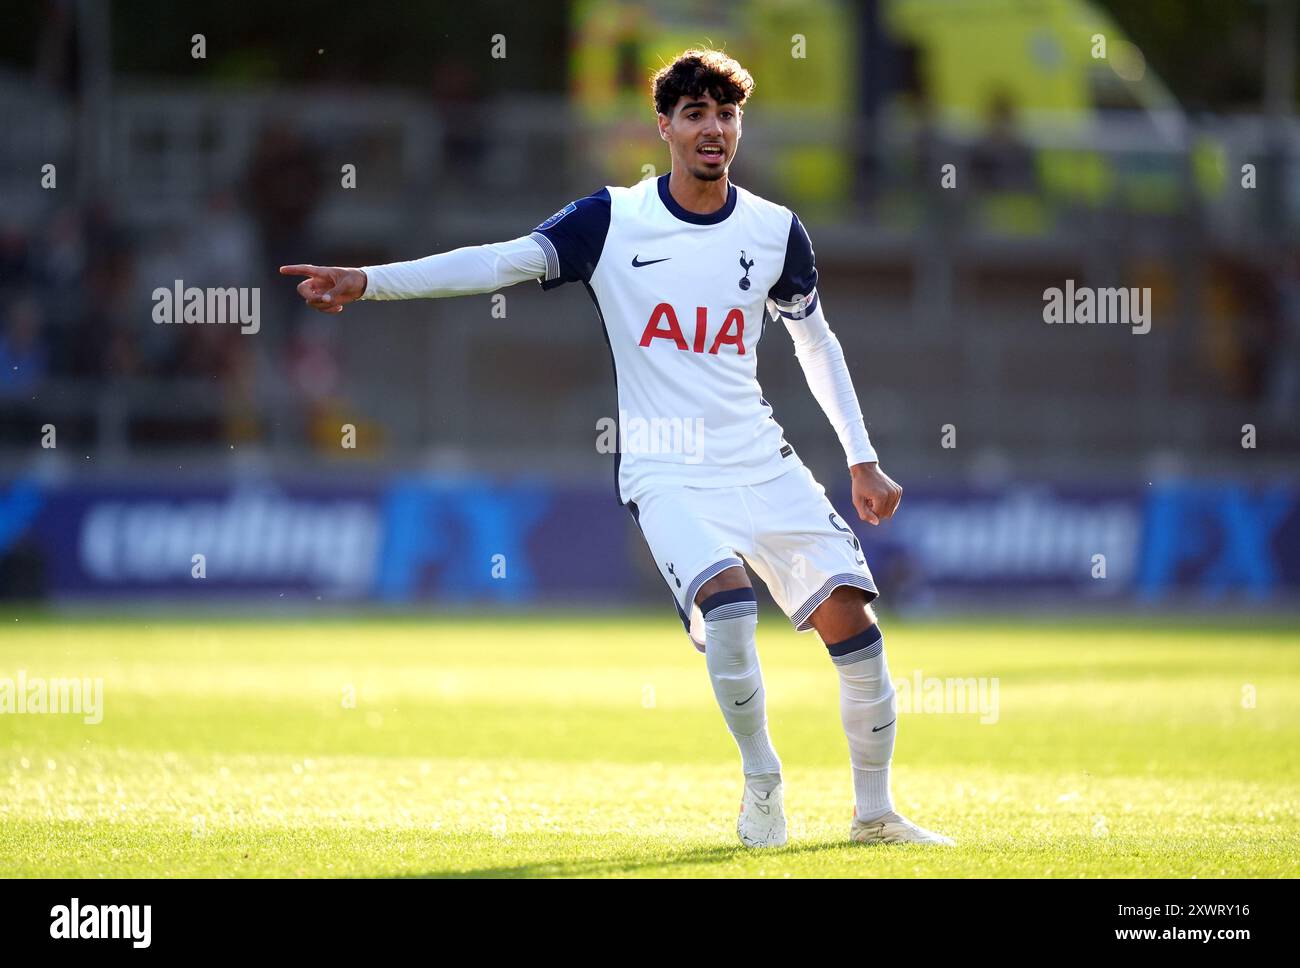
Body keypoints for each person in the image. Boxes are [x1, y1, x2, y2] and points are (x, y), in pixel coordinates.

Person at [281, 48, 953, 849]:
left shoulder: (775, 231)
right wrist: (369, 280)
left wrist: (860, 457)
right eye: (696, 114)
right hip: (664, 467)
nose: (714, 129)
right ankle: (762, 781)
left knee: (856, 625)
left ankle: (875, 814)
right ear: (663, 126)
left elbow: (816, 343)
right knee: (731, 610)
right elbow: (500, 263)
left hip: (762, 461)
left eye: (727, 114)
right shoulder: (613, 219)